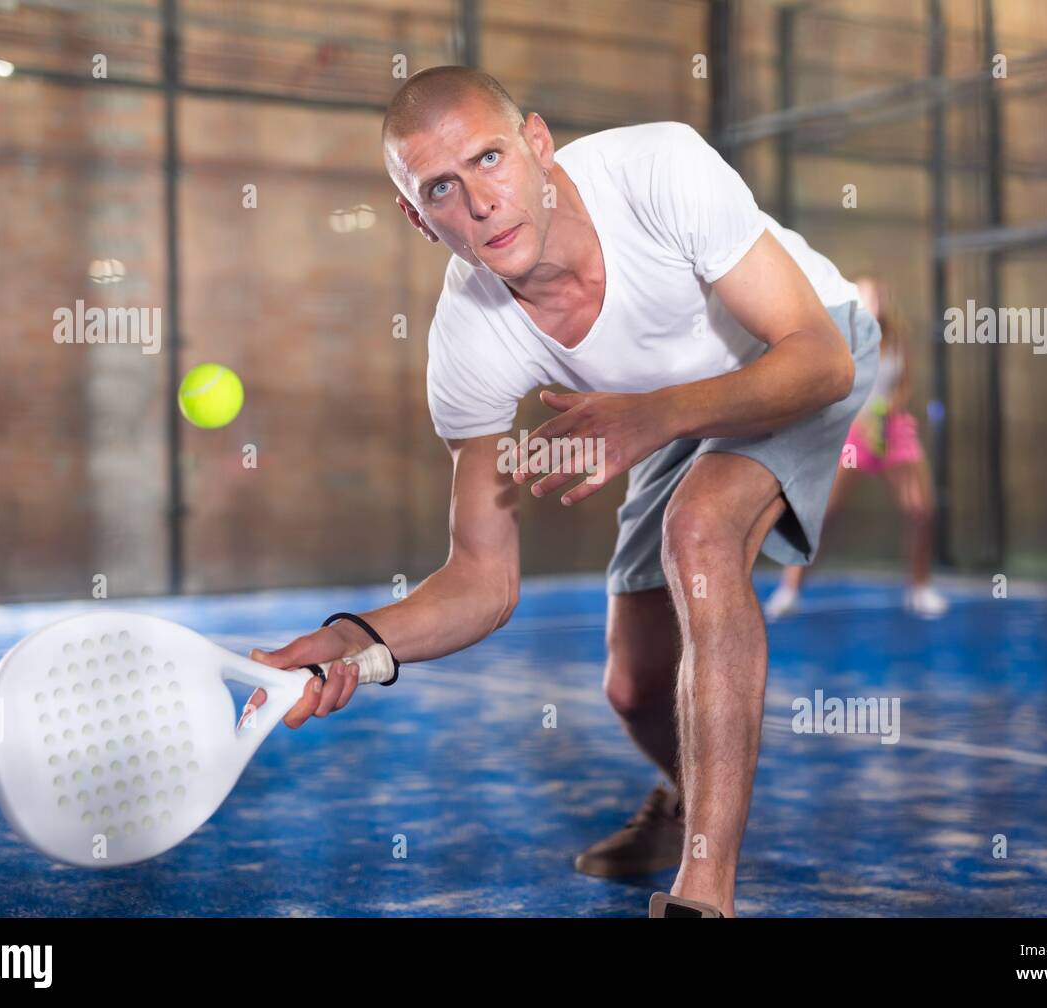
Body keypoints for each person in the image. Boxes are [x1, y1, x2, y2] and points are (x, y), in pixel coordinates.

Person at [244, 66, 880, 918]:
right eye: (441, 187)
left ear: (539, 145)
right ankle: (686, 796)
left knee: (699, 529)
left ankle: (706, 893)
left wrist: (651, 419)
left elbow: (818, 360)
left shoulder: (658, 169)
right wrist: (356, 636)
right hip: (660, 409)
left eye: (490, 159)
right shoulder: (470, 343)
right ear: (416, 216)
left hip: (798, 348)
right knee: (633, 690)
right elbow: (481, 579)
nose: (478, 202)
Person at [763, 276, 948, 621]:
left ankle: (920, 589)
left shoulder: (897, 337)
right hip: (851, 432)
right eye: (865, 295)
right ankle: (789, 590)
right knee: (824, 512)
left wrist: (888, 410)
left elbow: (903, 384)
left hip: (893, 430)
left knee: (921, 508)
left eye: (877, 295)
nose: (872, 301)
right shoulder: (838, 336)